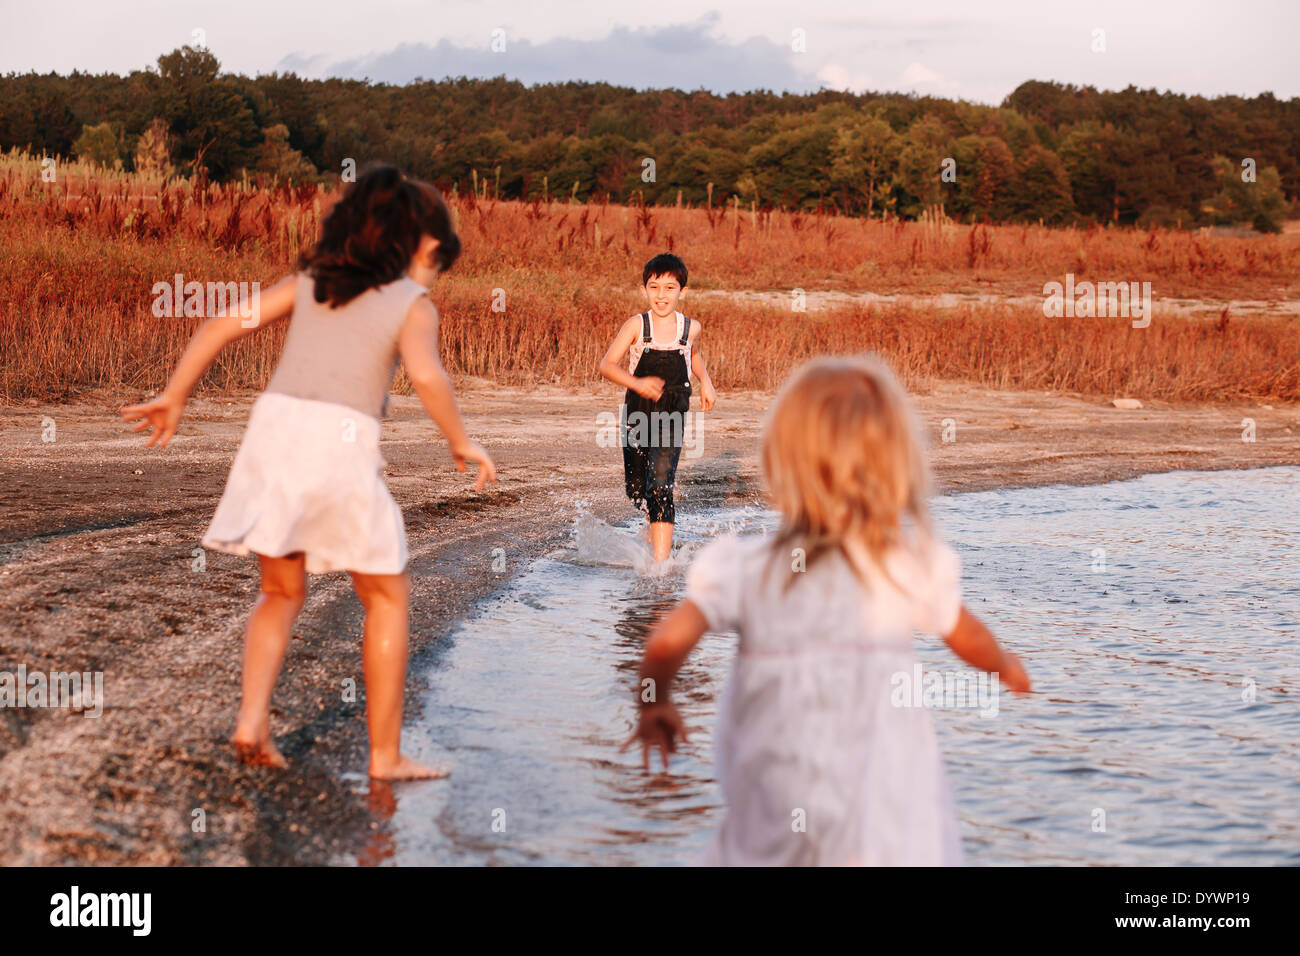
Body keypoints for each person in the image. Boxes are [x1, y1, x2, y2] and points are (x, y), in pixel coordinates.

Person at [120, 165, 496, 780]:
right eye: (437, 259)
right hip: (338, 439)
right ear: (423, 246)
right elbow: (428, 376)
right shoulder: (412, 302)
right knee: (386, 595)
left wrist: (175, 395)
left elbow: (221, 322)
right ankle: (385, 756)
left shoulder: (312, 280)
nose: (436, 272)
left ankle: (251, 720)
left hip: (272, 431)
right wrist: (461, 442)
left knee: (280, 590)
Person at [624, 354, 1031, 864]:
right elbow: (966, 635)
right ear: (897, 470)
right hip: (879, 814)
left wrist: (655, 703)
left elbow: (665, 641)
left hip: (772, 804)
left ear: (780, 463)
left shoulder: (745, 566)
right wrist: (1006, 665)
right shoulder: (901, 567)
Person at [598, 253, 716, 562]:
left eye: (669, 288)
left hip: (674, 410)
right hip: (638, 411)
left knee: (661, 483)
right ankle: (651, 524)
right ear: (644, 290)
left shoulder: (691, 328)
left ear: (682, 291)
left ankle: (660, 567)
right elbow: (607, 365)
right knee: (637, 489)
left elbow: (694, 356)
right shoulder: (637, 325)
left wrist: (707, 382)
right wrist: (637, 384)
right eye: (654, 287)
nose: (661, 295)